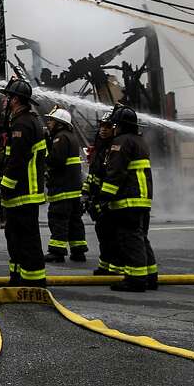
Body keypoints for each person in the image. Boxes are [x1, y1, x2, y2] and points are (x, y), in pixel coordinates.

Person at [96, 106, 157, 292]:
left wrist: (103, 198)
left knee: (130, 239)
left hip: (128, 199)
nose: (113, 128)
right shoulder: (139, 141)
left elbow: (115, 173)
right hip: (142, 199)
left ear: (120, 125)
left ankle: (135, 280)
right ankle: (150, 276)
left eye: (114, 125)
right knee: (140, 237)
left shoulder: (121, 142)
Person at [0, 77, 47, 286]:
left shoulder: (23, 124)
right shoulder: (26, 121)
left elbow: (18, 160)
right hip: (22, 191)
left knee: (26, 238)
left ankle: (34, 282)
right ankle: (18, 276)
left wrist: (5, 186)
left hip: (22, 192)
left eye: (7, 97)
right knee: (15, 236)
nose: (4, 101)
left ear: (16, 100)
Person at [43, 107, 87, 264]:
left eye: (51, 120)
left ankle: (57, 252)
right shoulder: (71, 136)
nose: (48, 123)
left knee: (58, 219)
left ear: (60, 123)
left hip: (63, 188)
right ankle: (78, 251)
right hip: (73, 188)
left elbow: (56, 160)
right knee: (75, 221)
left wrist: (44, 155)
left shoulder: (60, 137)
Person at [83, 111, 120, 277]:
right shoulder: (100, 148)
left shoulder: (115, 148)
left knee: (113, 235)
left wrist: (103, 200)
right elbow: (93, 174)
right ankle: (105, 266)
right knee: (103, 234)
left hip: (109, 200)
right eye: (102, 126)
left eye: (108, 127)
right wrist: (85, 193)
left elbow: (113, 176)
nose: (103, 130)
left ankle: (116, 268)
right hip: (99, 198)